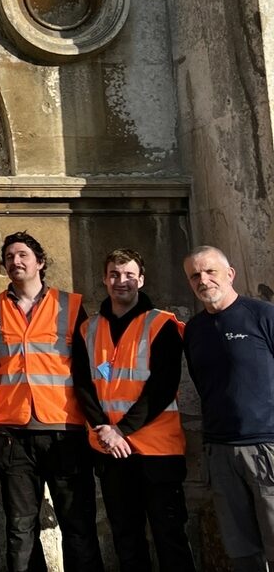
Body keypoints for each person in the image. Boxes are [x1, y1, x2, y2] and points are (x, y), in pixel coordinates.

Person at [0, 231, 104, 572]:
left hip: (64, 429)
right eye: (9, 257)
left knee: (77, 527)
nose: (15, 261)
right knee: (20, 529)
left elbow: (88, 365)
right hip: (13, 432)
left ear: (40, 262)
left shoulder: (71, 305)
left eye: (22, 255)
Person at [71, 248, 195, 571]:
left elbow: (163, 386)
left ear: (141, 279)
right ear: (104, 279)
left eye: (128, 275)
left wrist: (120, 430)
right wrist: (105, 431)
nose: (121, 281)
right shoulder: (89, 329)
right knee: (126, 539)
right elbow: (83, 386)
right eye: (114, 274)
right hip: (112, 453)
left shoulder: (161, 324)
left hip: (157, 451)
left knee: (170, 538)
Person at [183, 245, 274, 572]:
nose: (203, 280)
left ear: (230, 274)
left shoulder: (263, 315)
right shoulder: (194, 330)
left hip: (266, 448)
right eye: (195, 275)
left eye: (210, 272)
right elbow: (201, 381)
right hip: (220, 451)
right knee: (241, 552)